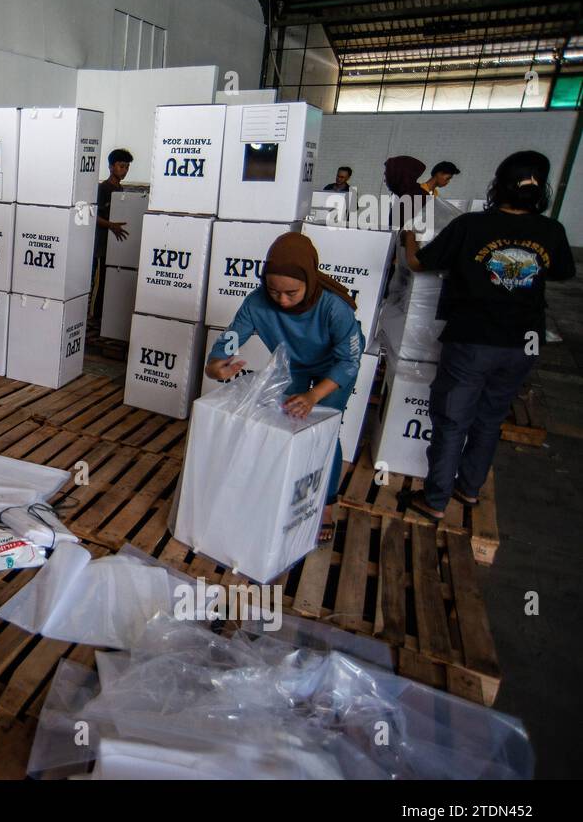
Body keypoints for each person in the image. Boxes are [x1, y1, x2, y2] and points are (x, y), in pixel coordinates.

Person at [399, 151, 575, 521]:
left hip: (473, 339)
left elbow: (419, 264)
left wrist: (409, 239)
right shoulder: (552, 231)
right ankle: (470, 489)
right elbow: (561, 272)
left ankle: (435, 500)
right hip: (523, 342)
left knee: (451, 419)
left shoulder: (471, 226)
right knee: (490, 417)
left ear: (499, 185)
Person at [203, 232, 363, 544]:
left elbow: (349, 362)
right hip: (295, 363)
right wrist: (215, 364)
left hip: (335, 367)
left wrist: (314, 395)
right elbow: (231, 339)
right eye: (273, 291)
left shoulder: (334, 308)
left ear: (310, 280)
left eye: (292, 292)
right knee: (287, 421)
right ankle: (290, 486)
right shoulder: (256, 303)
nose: (282, 300)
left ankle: (328, 503)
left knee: (326, 427)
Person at [90, 148, 133, 324]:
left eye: (127, 167)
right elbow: (92, 215)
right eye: (121, 166)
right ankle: (93, 317)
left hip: (114, 245)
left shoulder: (120, 189)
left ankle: (102, 318)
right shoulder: (103, 189)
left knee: (108, 283)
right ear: (111, 167)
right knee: (99, 283)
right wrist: (111, 226)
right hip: (101, 244)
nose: (124, 170)